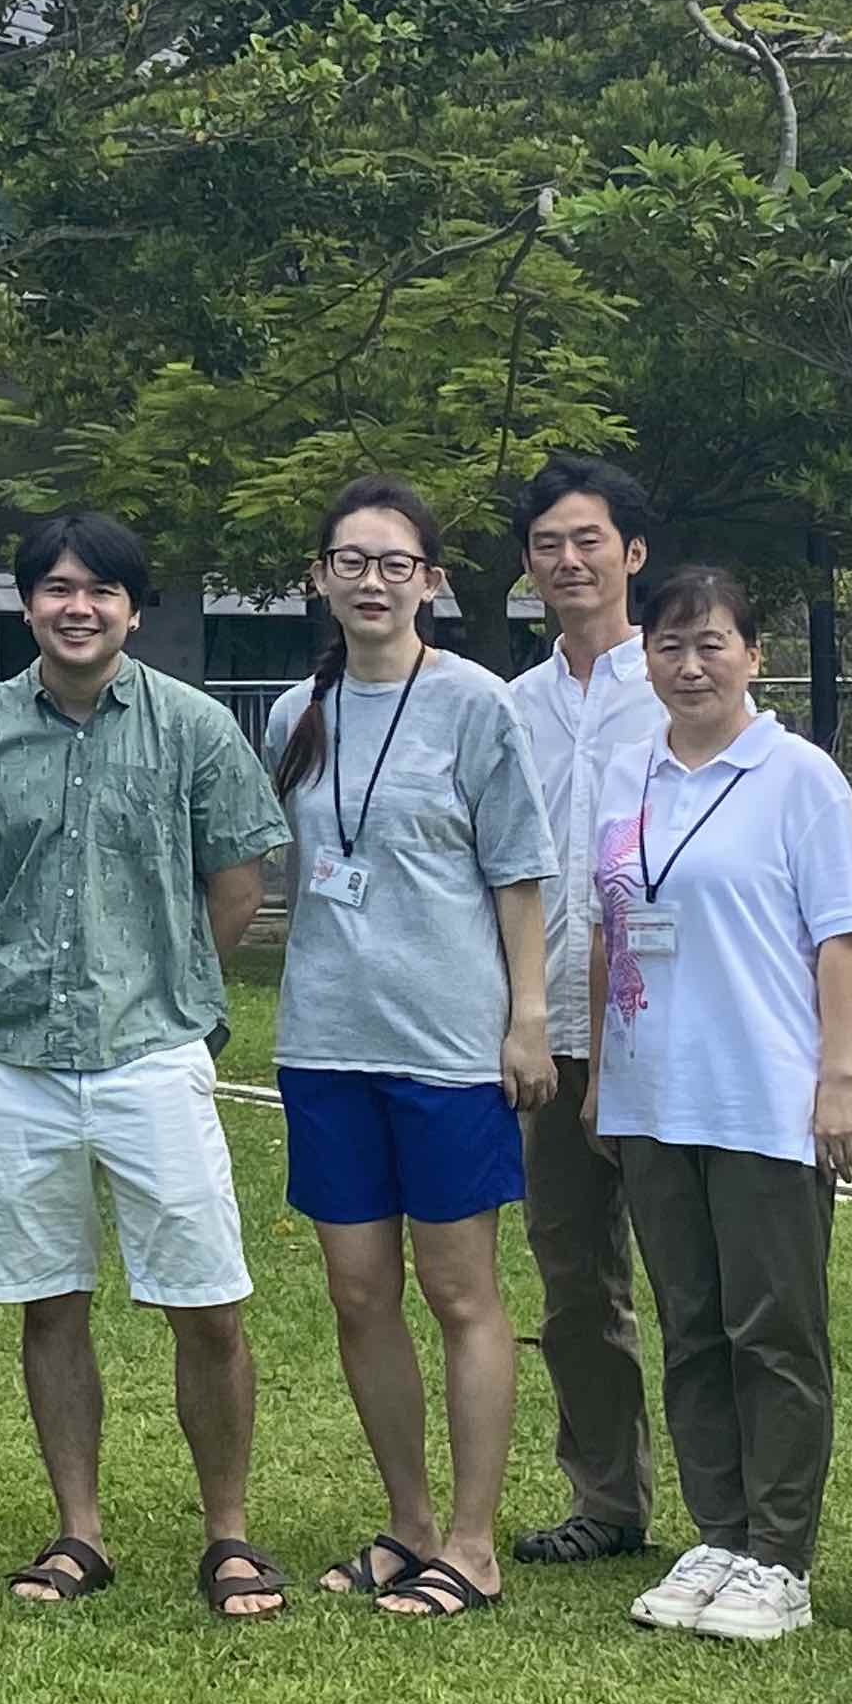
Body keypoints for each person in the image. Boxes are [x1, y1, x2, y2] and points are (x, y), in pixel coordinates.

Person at [0, 509, 293, 1618]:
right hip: (20, 1060)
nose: (77, 607)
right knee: (50, 1302)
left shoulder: (194, 728)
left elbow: (237, 884)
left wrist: (168, 982)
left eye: (100, 590)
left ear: (132, 608)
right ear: (27, 603)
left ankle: (227, 1531)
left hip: (152, 1053)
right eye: (56, 588)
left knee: (206, 1301)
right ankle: (77, 1530)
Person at [265, 474, 557, 1621]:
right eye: (351, 561)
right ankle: (411, 1525)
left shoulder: (476, 704)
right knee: (356, 1293)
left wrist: (526, 1019)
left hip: (447, 1048)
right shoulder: (293, 713)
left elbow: (518, 873)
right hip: (325, 1043)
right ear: (319, 578)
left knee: (460, 1290)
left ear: (429, 580)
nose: (372, 582)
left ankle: (474, 1545)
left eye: (395, 564)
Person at [587, 566, 852, 1645]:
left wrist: (837, 1079)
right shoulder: (627, 772)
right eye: (668, 645)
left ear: (754, 655)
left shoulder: (798, 777)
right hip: (654, 1097)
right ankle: (717, 1534)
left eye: (711, 643)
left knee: (774, 1331)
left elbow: (840, 937)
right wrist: (605, 1077)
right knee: (691, 1327)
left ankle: (779, 1557)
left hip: (763, 1096)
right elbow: (610, 928)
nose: (689, 664)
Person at [501, 456, 667, 1569]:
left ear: (632, 553)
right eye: (548, 544)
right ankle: (607, 1498)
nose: (568, 560)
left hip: (667, 1034)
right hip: (547, 1033)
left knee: (696, 1281)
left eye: (588, 539)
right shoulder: (507, 706)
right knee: (573, 1287)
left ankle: (733, 1516)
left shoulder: (683, 686)